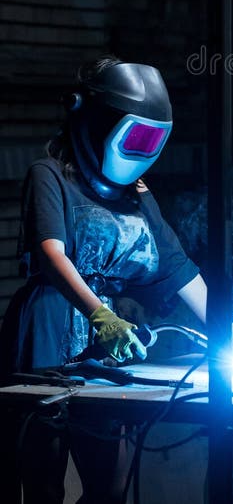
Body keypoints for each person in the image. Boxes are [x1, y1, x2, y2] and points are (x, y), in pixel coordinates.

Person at [0, 55, 208, 504]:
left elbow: (177, 269)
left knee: (110, 488)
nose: (138, 151)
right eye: (133, 136)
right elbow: (51, 255)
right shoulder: (48, 175)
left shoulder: (139, 195)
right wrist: (101, 315)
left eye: (150, 140)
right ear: (93, 120)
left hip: (104, 353)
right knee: (43, 486)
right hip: (47, 336)